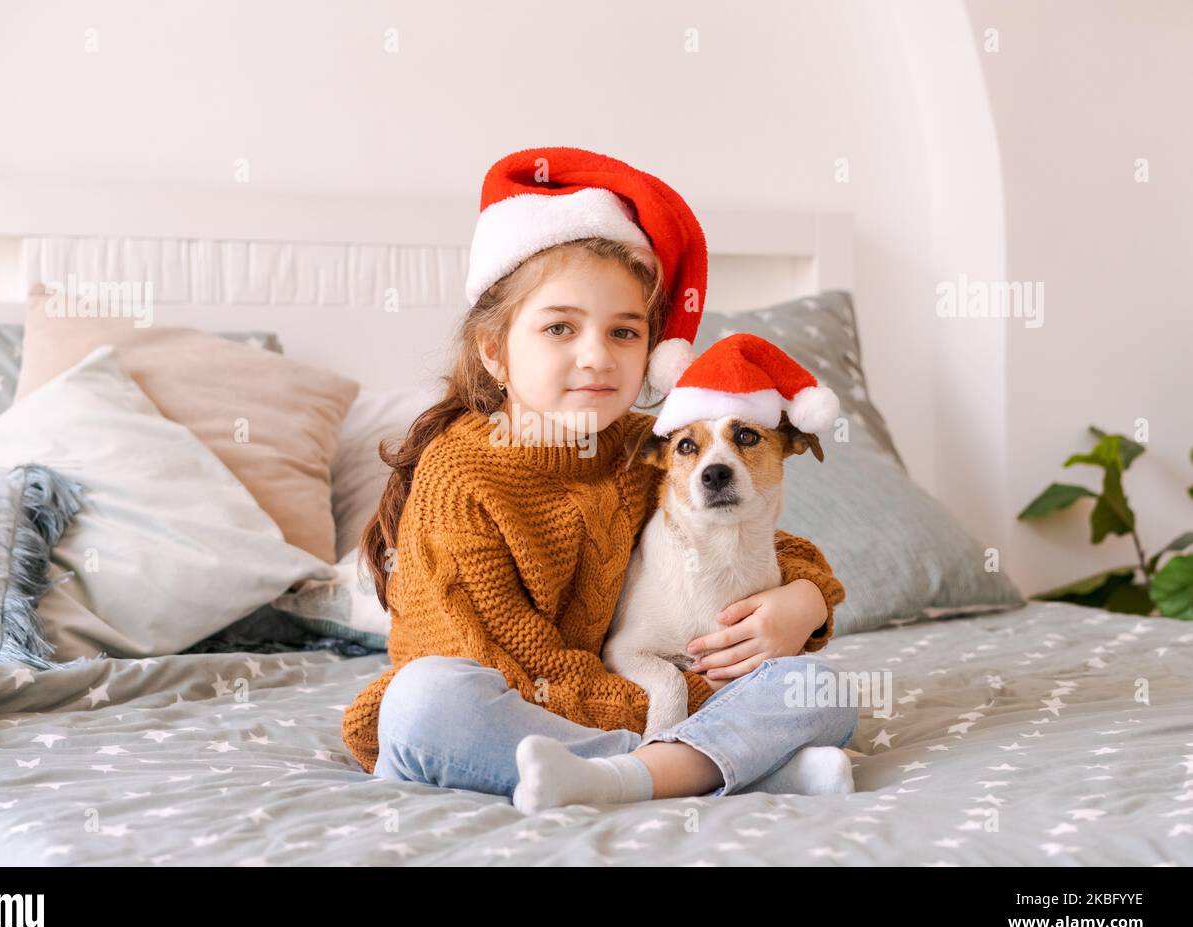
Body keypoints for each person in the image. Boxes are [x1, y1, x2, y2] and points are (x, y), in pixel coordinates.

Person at [341, 146, 857, 814]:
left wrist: (806, 602)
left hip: (638, 700)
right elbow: (515, 665)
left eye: (623, 331)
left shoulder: (645, 448)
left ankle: (658, 768)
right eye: (560, 327)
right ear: (494, 351)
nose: (596, 356)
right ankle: (694, 766)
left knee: (822, 687)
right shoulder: (461, 474)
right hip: (521, 702)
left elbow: (738, 529)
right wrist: (671, 706)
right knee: (423, 703)